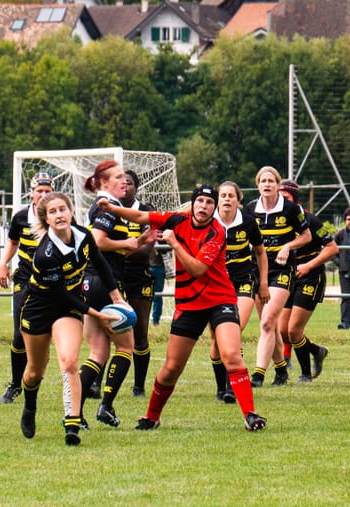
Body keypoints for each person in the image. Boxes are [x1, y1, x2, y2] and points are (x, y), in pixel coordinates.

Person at [98, 184, 267, 432]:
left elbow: (197, 269)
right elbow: (141, 216)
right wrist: (112, 208)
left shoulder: (217, 232)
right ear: (193, 204)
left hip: (220, 300)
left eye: (209, 203)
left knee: (231, 355)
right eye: (200, 201)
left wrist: (175, 243)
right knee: (171, 368)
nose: (204, 206)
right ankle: (152, 417)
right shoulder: (177, 219)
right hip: (189, 304)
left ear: (214, 208)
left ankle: (250, 415)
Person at [17, 192, 120, 445]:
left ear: (71, 211)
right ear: (46, 219)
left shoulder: (84, 235)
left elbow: (100, 263)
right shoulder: (45, 254)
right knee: (35, 372)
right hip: (39, 308)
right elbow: (59, 294)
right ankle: (30, 406)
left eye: (62, 209)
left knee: (70, 361)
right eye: (52, 212)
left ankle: (72, 425)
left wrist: (117, 298)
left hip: (68, 309)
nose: (59, 215)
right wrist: (96, 314)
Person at [80, 160, 153, 426]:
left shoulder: (108, 205)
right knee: (125, 347)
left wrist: (141, 240)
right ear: (103, 182)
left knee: (98, 353)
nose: (124, 181)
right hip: (104, 283)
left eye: (125, 177)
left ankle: (74, 413)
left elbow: (113, 246)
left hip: (91, 283)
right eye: (118, 177)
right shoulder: (106, 206)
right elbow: (99, 242)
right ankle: (106, 406)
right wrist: (126, 243)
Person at [244, 166, 311, 387]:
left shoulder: (290, 209)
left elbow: (306, 236)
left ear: (277, 185)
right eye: (263, 181)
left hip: (282, 269)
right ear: (258, 185)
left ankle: (258, 375)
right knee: (269, 325)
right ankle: (281, 370)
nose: (267, 184)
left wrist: (288, 246)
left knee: (266, 322)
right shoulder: (250, 209)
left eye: (271, 181)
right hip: (257, 270)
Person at [0, 172, 53, 404]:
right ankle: (14, 384)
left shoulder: (58, 215)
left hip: (52, 281)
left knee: (47, 335)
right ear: (32, 193)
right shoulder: (21, 217)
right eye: (39, 191)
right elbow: (13, 241)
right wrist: (3, 263)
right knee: (19, 334)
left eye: (47, 191)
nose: (43, 195)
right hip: (25, 279)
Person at [213, 181, 269, 402]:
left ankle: (231, 388)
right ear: (218, 200)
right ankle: (221, 388)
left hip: (243, 281)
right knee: (217, 342)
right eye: (223, 195)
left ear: (238, 200)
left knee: (234, 328)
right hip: (215, 284)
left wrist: (263, 283)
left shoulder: (248, 222)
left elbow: (261, 253)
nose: (227, 199)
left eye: (231, 196)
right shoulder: (208, 222)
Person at [278, 180, 337, 382]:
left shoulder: (310, 220)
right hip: (289, 277)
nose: (282, 202)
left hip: (311, 277)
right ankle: (316, 351)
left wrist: (308, 266)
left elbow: (332, 248)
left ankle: (305, 374)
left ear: (295, 200)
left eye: (286, 198)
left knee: (294, 330)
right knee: (282, 332)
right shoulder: (278, 222)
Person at [120, 170, 157, 398]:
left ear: (137, 187)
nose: (125, 187)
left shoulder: (146, 212)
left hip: (139, 276)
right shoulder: (108, 211)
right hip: (114, 276)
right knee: (107, 330)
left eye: (129, 183)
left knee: (140, 331)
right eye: (121, 183)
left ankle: (139, 386)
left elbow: (146, 251)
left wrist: (116, 247)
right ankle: (95, 384)